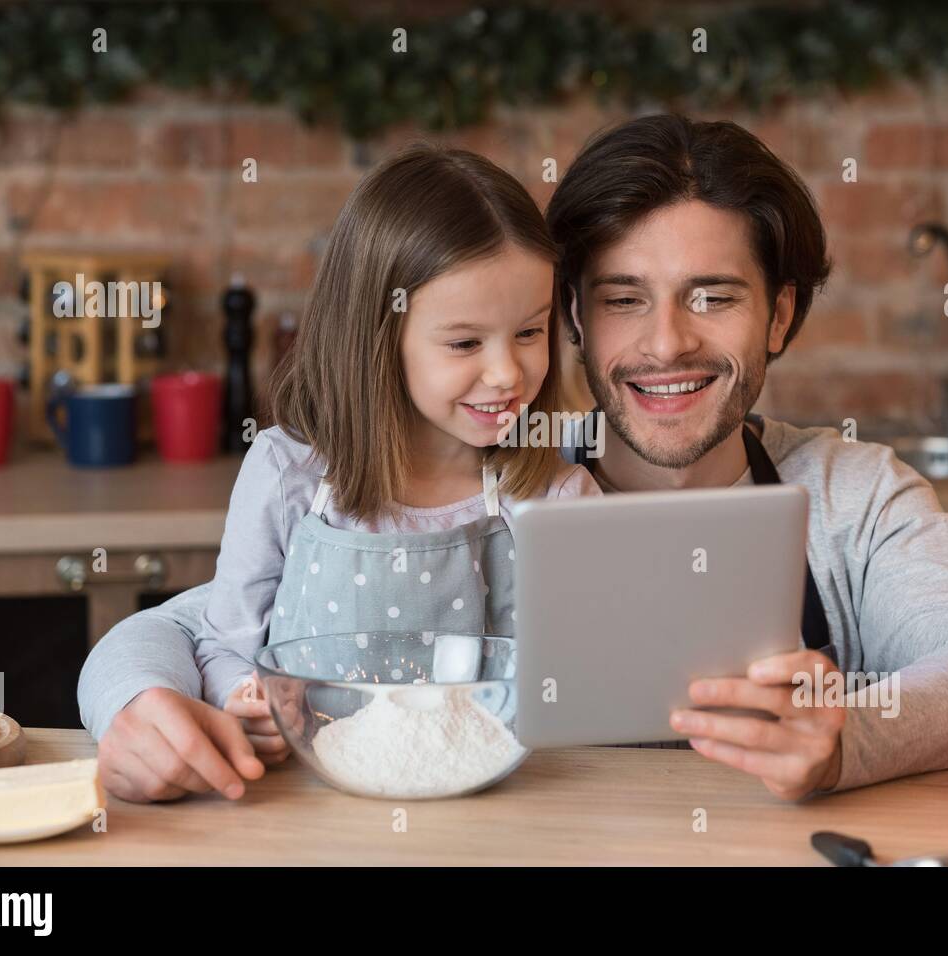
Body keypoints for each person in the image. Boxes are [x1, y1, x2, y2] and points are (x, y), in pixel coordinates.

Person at [80, 114, 948, 803]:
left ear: (779, 313)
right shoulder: (502, 471)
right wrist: (141, 709)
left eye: (714, 295)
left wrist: (847, 734)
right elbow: (187, 626)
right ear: (568, 319)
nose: (667, 342)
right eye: (622, 296)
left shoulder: (848, 493)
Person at [84, 144, 599, 803]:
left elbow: (580, 690)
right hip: (304, 814)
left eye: (529, 333)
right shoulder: (287, 476)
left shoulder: (556, 496)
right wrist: (249, 703)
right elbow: (221, 642)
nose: (507, 373)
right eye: (466, 342)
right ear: (378, 336)